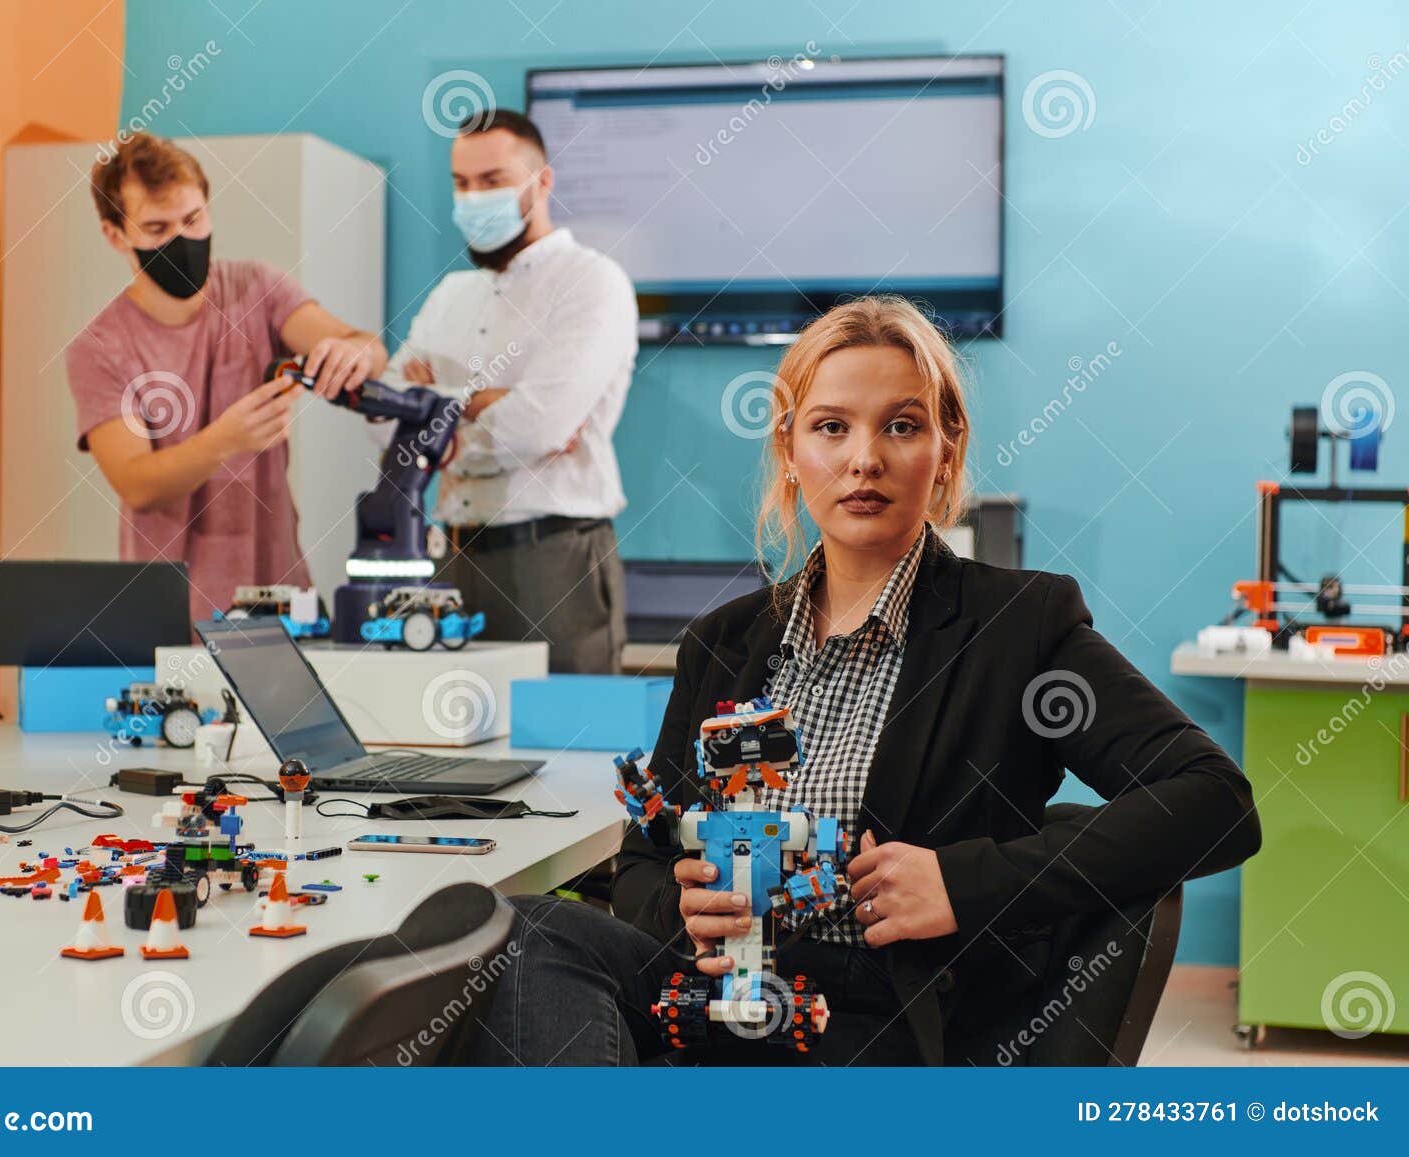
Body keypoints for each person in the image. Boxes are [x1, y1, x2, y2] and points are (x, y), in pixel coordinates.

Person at [466, 296, 1261, 1066]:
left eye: (902, 426)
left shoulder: (1019, 626)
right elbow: (647, 854)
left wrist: (961, 882)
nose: (864, 459)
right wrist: (682, 903)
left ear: (946, 449)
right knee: (522, 930)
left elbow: (1213, 799)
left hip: (876, 1020)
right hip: (719, 992)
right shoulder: (722, 642)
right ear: (789, 450)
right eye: (831, 426)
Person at [67, 133, 387, 620]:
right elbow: (137, 484)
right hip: (175, 610)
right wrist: (226, 439)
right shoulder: (100, 347)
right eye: (156, 228)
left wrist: (354, 353)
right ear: (115, 235)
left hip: (280, 593)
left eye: (193, 219)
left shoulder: (256, 287)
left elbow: (363, 346)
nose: (182, 240)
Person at [384, 109, 638, 673]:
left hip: (553, 559)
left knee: (564, 723)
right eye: (461, 183)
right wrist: (485, 402)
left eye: (492, 180)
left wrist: (437, 419)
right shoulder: (450, 295)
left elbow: (537, 424)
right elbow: (385, 419)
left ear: (542, 181)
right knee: (447, 724)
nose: (473, 197)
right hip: (451, 557)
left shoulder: (592, 281)